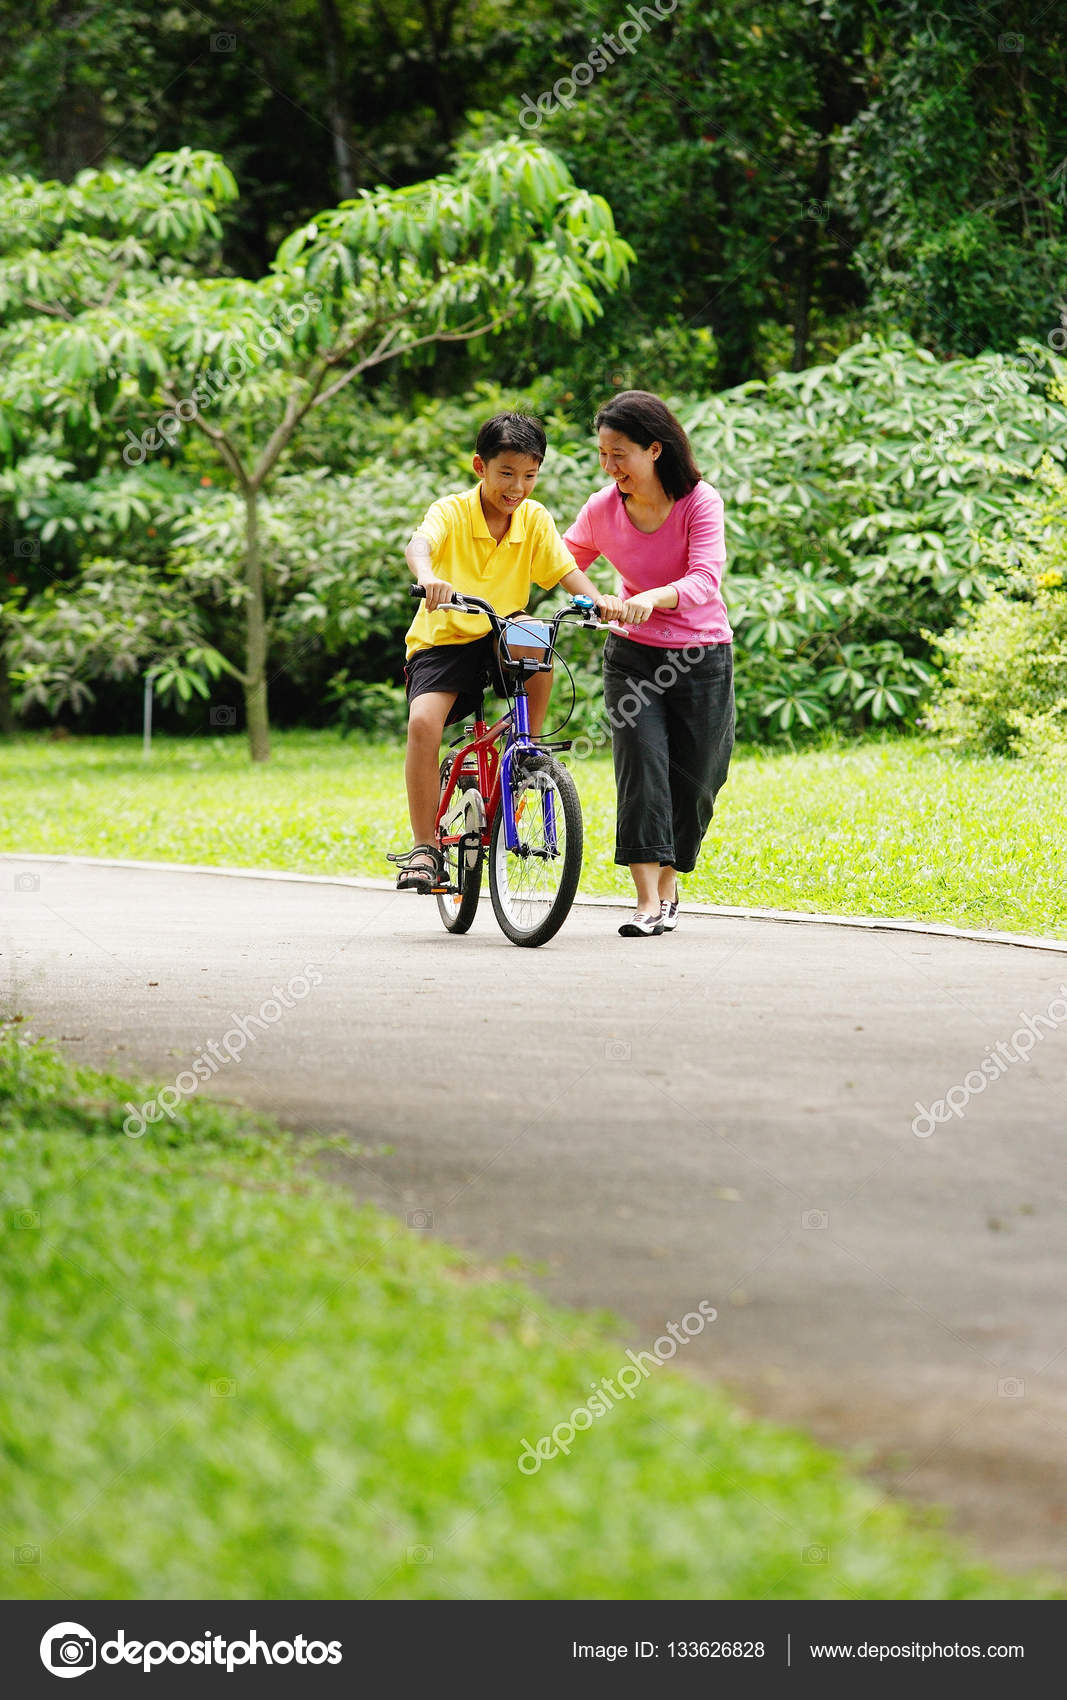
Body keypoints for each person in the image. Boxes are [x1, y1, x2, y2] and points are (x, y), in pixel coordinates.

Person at [392, 411, 607, 892]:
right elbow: (419, 544)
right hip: (444, 638)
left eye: (529, 475)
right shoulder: (451, 510)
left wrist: (598, 603)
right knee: (423, 723)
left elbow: (565, 572)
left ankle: (524, 754)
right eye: (506, 473)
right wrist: (429, 578)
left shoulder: (534, 518)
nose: (518, 487)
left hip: (499, 631)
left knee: (535, 630)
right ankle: (425, 848)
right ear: (479, 467)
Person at [563, 390, 734, 937]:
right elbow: (558, 561)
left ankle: (670, 879)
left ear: (655, 450)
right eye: (603, 455)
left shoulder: (700, 502)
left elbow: (707, 580)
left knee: (699, 778)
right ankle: (645, 900)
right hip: (633, 658)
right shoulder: (601, 508)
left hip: (701, 654)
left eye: (621, 455)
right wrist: (592, 600)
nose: (610, 467)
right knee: (641, 768)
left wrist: (652, 597)